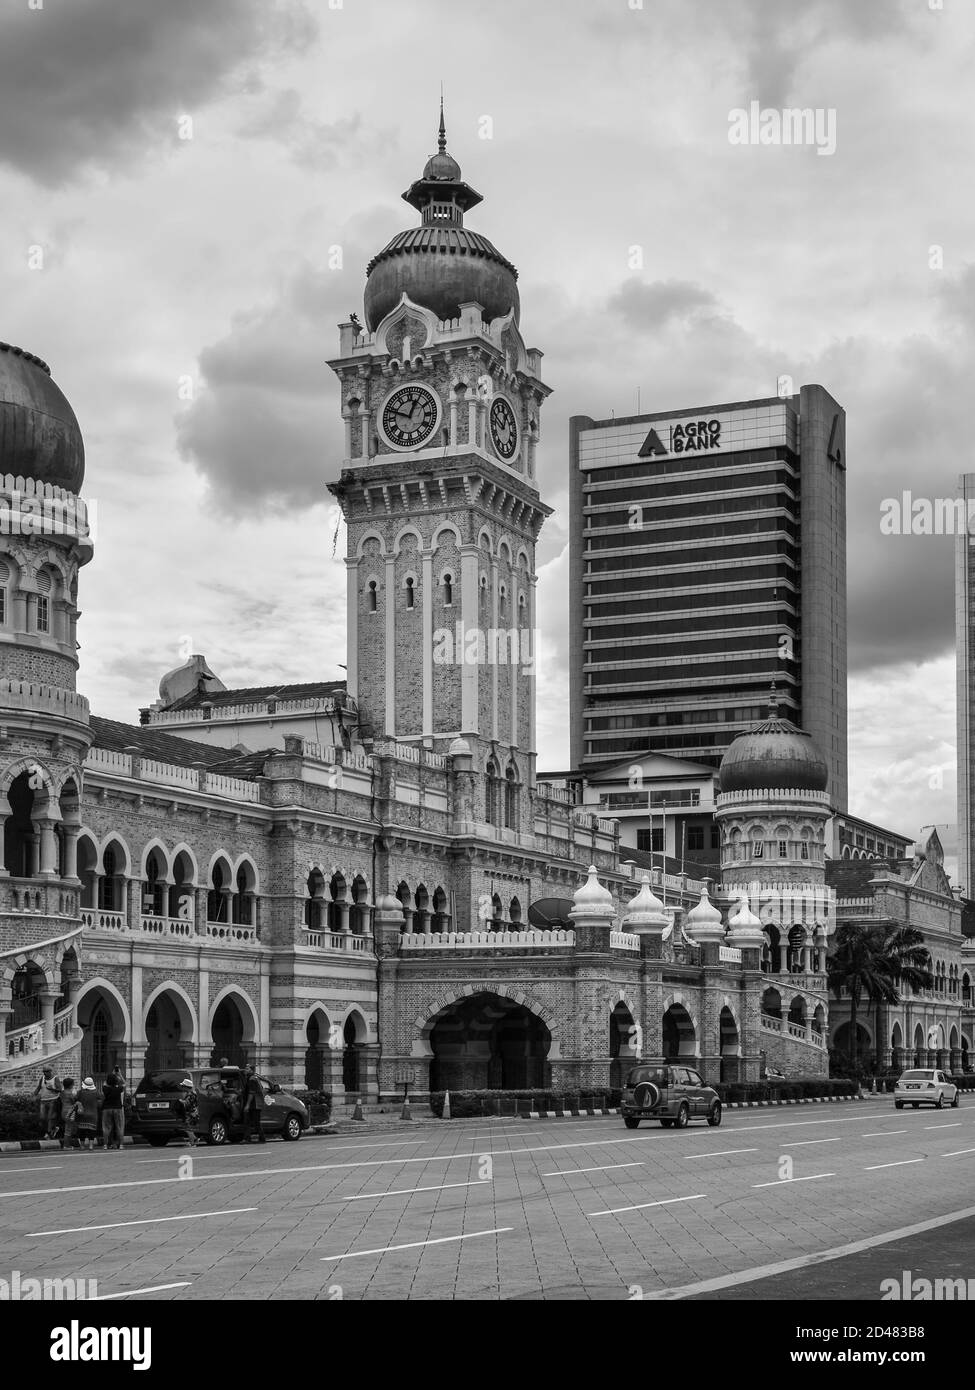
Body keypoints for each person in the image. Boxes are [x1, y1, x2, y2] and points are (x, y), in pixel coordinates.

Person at [240, 1067, 266, 1143]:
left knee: (251, 1121)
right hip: (256, 1103)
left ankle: (250, 1138)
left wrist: (247, 1105)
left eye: (247, 1069)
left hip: (254, 1104)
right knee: (254, 1121)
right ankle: (260, 1138)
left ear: (251, 1070)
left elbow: (251, 1093)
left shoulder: (252, 1079)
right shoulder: (255, 1078)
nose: (245, 1070)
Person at [35, 1067, 62, 1139]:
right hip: (43, 1100)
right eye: (44, 1072)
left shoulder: (55, 1078)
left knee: (50, 1117)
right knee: (42, 1118)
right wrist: (34, 1094)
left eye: (46, 1072)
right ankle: (53, 1128)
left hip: (53, 1100)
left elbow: (60, 1089)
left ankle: (48, 1133)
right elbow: (39, 1087)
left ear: (50, 1071)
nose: (45, 1073)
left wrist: (52, 1089)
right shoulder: (42, 1078)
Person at [101, 1070, 125, 1150]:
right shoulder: (119, 1089)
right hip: (117, 1108)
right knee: (119, 1127)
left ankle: (105, 1145)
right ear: (116, 1081)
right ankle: (121, 1145)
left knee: (106, 1127)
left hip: (107, 1108)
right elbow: (124, 1084)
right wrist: (119, 1075)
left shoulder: (105, 1088)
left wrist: (111, 1074)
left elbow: (105, 1083)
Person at [76, 1077, 99, 1151]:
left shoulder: (80, 1092)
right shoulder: (96, 1092)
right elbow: (101, 1101)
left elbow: (75, 1099)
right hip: (93, 1114)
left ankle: (82, 1146)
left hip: (82, 1114)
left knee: (82, 1131)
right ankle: (91, 1146)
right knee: (91, 1131)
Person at [175, 1078, 199, 1148]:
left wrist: (181, 1101)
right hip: (193, 1113)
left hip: (190, 1114)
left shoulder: (191, 1095)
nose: (182, 1088)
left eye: (183, 1086)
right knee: (188, 1128)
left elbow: (188, 1104)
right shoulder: (192, 1093)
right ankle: (195, 1139)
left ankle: (192, 1143)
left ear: (187, 1087)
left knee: (188, 1129)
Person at [59, 1079, 80, 1150]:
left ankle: (68, 1144)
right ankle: (66, 1146)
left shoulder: (62, 1092)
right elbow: (74, 1101)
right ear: (71, 1085)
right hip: (69, 1112)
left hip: (63, 1111)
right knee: (68, 1129)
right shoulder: (70, 1093)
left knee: (69, 1128)